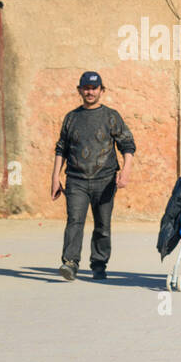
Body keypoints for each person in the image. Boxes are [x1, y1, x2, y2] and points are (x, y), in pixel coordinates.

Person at [51, 71, 136, 281]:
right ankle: (70, 263)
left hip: (105, 179)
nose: (90, 92)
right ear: (80, 90)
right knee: (74, 221)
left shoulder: (111, 116)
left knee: (102, 224)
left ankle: (99, 264)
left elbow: (127, 144)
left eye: (94, 88)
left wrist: (126, 171)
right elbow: (61, 148)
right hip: (76, 180)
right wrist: (55, 178)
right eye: (86, 88)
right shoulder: (71, 118)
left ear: (101, 90)